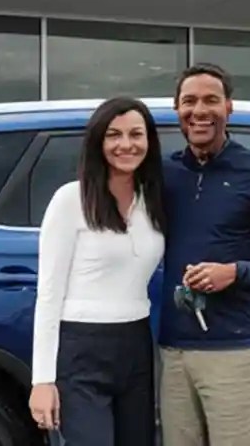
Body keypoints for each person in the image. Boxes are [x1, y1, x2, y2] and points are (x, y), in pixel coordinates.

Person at [158, 63, 250, 446]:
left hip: (235, 353)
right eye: (189, 101)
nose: (199, 110)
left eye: (211, 100)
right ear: (177, 110)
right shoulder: (164, 174)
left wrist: (235, 272)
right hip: (173, 352)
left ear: (229, 107)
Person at [28, 96, 168, 446]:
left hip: (136, 343)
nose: (126, 144)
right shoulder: (69, 200)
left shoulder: (153, 202)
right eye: (113, 135)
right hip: (81, 347)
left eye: (136, 134)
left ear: (149, 142)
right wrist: (42, 380)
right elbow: (48, 294)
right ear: (98, 143)